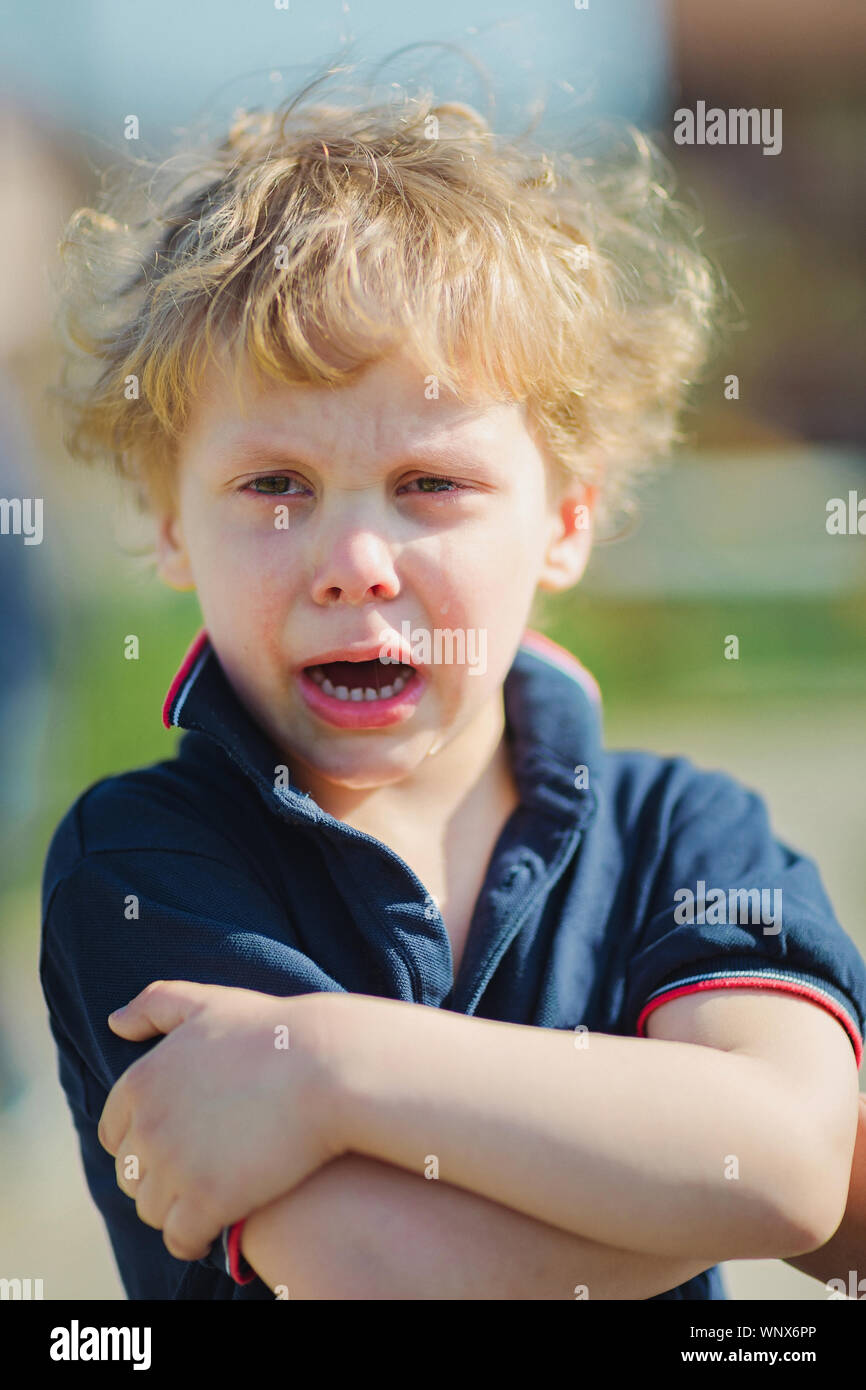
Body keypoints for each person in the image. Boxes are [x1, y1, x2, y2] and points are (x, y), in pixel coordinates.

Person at [41, 64, 866, 1300]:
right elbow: (377, 1267)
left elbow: (794, 1169)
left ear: (565, 520)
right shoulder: (146, 861)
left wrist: (325, 1064)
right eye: (274, 487)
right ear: (170, 525)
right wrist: (682, 1168)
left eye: (429, 484)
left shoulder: (689, 836)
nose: (352, 564)